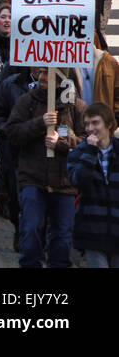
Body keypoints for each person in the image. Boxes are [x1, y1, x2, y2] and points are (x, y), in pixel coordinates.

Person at [5, 67, 81, 268]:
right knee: (31, 229)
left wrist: (63, 143)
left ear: (62, 78)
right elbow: (11, 133)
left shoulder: (75, 107)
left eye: (49, 74)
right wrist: (40, 123)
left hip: (65, 183)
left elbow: (88, 141)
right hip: (33, 179)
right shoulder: (27, 101)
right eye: (42, 73)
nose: (42, 78)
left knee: (63, 235)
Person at [68, 102, 119, 267]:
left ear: (109, 124)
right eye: (87, 124)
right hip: (92, 230)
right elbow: (77, 180)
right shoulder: (79, 153)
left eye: (95, 123)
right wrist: (90, 153)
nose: (90, 128)